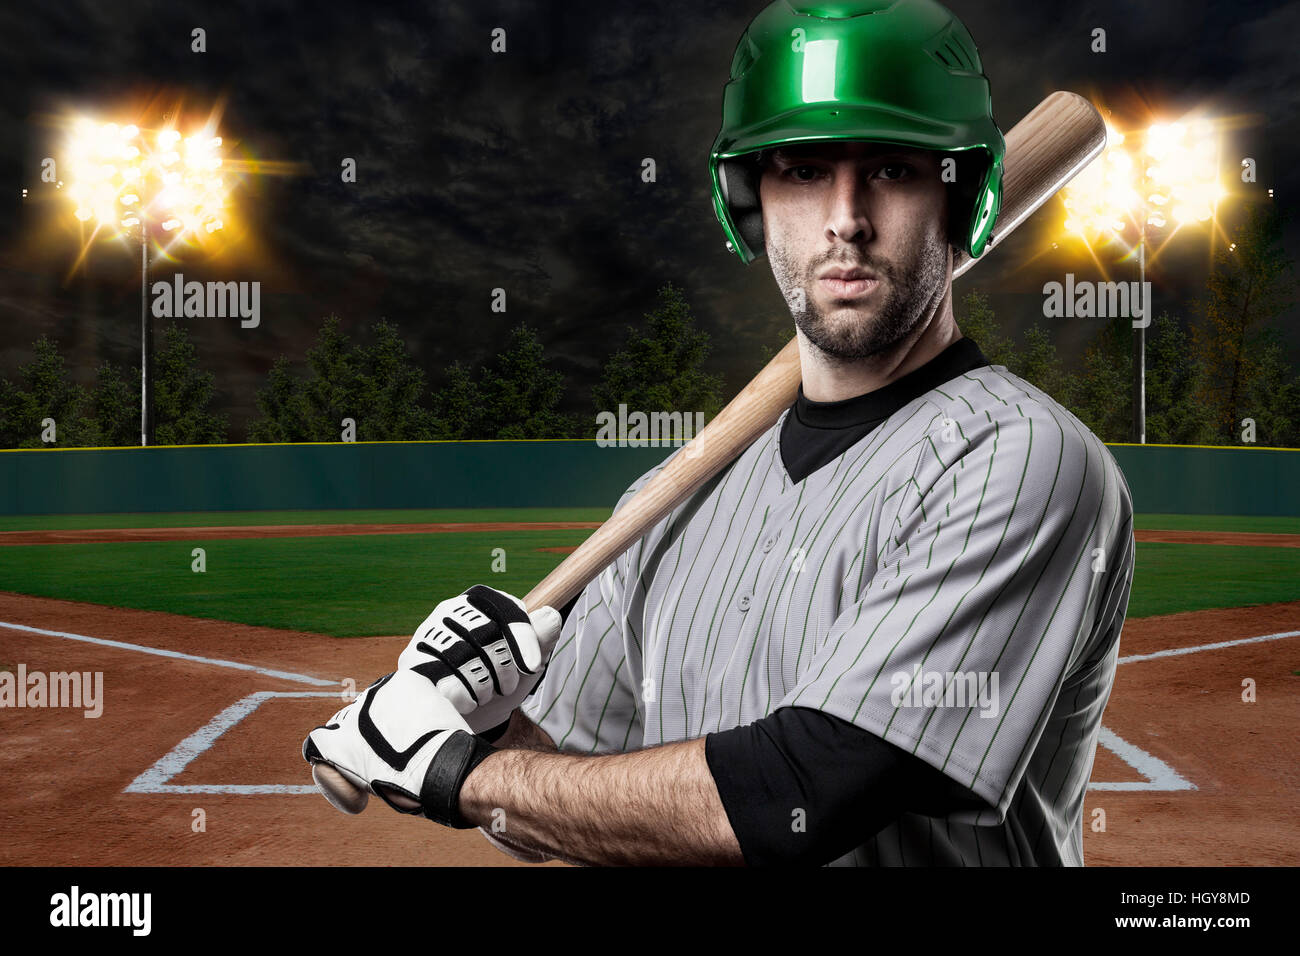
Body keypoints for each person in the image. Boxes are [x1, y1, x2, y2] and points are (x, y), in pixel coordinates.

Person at [303, 0, 1135, 867]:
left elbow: (809, 791)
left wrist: (453, 776)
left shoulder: (1022, 457)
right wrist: (483, 718)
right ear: (749, 202)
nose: (844, 218)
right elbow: (579, 803)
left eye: (891, 168)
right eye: (802, 172)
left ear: (963, 195)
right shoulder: (669, 502)